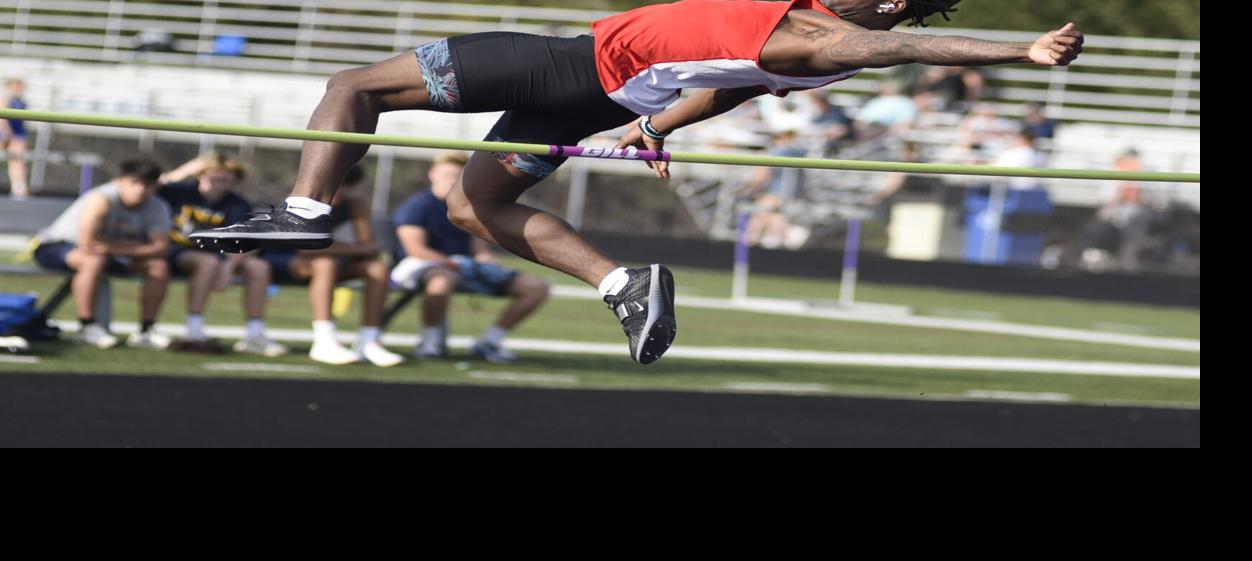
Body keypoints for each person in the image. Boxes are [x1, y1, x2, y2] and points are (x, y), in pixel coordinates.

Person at [190, 0, 1083, 366]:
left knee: (353, 87)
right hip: (589, 104)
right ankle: (625, 286)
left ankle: (305, 210)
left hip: (559, 72)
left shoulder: (828, 40)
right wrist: (653, 127)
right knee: (476, 204)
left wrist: (1020, 48)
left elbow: (901, 45)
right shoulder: (802, 41)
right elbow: (715, 81)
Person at [391, 152, 550, 364]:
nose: (451, 179)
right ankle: (430, 342)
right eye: (447, 174)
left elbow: (479, 248)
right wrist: (453, 263)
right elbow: (416, 249)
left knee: (535, 286)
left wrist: (486, 262)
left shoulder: (469, 207)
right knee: (441, 281)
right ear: (433, 174)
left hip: (464, 268)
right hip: (425, 267)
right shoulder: (418, 205)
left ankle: (489, 342)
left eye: (457, 175)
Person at [263, 165, 402, 367]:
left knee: (377, 268)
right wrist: (350, 249)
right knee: (325, 264)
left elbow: (370, 247)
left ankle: (369, 340)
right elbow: (303, 248)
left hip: (323, 261)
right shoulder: (300, 200)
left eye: (344, 185)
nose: (339, 191)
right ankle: (324, 340)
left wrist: (341, 248)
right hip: (279, 259)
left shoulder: (354, 205)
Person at [32, 160, 173, 350]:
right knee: (93, 262)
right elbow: (88, 244)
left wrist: (112, 248)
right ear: (120, 181)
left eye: (147, 184)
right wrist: (130, 246)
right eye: (135, 183)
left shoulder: (158, 207)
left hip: (109, 254)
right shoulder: (101, 198)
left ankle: (146, 330)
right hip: (56, 246)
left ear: (155, 186)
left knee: (158, 266)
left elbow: (160, 248)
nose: (140, 190)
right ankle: (87, 326)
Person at [157, 155, 288, 356]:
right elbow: (150, 183)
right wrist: (185, 170)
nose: (219, 183)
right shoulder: (179, 192)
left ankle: (255, 334)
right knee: (207, 262)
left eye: (225, 179)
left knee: (259, 267)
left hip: (217, 256)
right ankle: (194, 329)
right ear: (200, 175)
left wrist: (228, 268)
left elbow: (243, 241)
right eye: (213, 177)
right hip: (177, 252)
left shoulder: (237, 204)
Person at [4, 79, 30, 199]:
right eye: (18, 85)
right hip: (8, 133)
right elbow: (2, 119)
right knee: (16, 161)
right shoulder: (6, 98)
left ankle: (18, 189)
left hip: (17, 134)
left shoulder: (20, 100)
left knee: (17, 162)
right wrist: (7, 133)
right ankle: (19, 189)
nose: (21, 88)